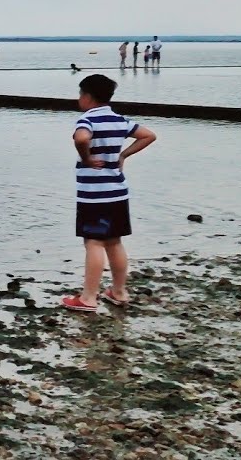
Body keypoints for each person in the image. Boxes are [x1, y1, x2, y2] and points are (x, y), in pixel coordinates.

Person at [61, 74, 157, 312]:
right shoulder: (119, 119)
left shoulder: (87, 119)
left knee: (93, 242)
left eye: (80, 94)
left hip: (94, 194)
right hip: (117, 192)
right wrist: (123, 155)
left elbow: (81, 138)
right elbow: (149, 135)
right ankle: (119, 291)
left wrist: (86, 158)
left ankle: (88, 297)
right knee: (114, 241)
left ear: (87, 96)